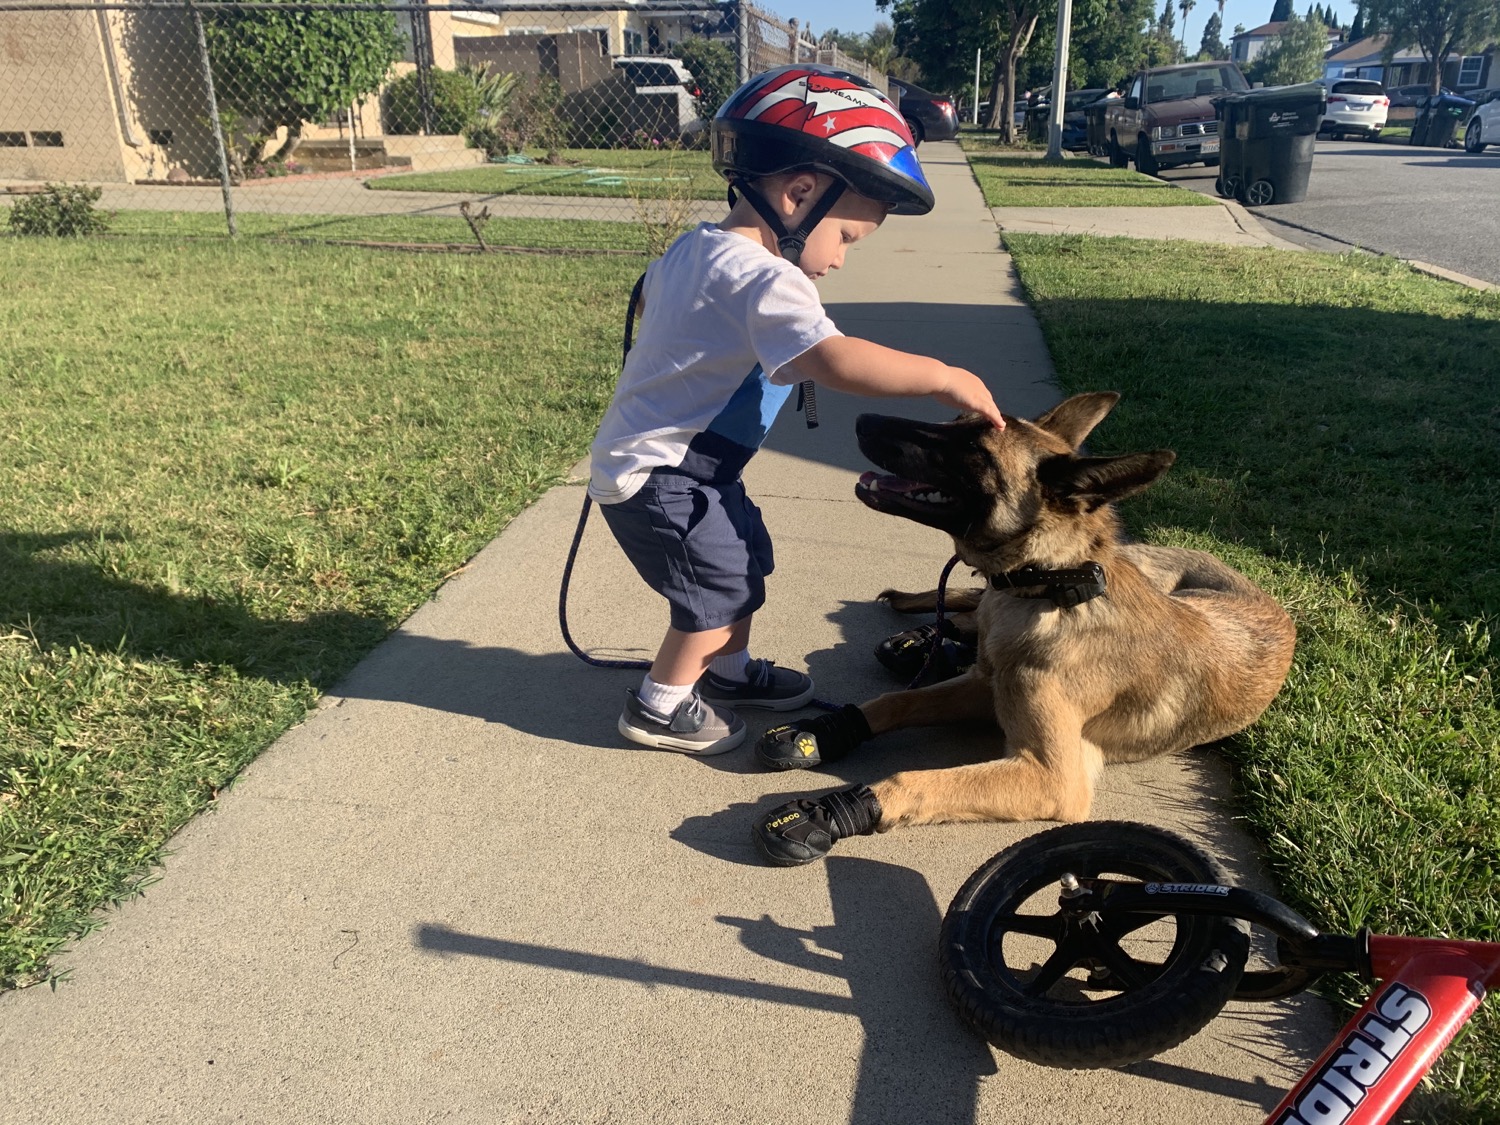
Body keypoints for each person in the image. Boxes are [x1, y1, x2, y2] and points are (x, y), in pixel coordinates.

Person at [588, 64, 1004, 757]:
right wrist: (942, 376)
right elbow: (834, 360)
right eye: (846, 238)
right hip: (665, 476)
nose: (840, 260)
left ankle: (728, 670)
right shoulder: (765, 277)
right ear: (800, 193)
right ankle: (660, 704)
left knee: (743, 559)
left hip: (682, 467)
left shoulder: (697, 248)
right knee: (717, 588)